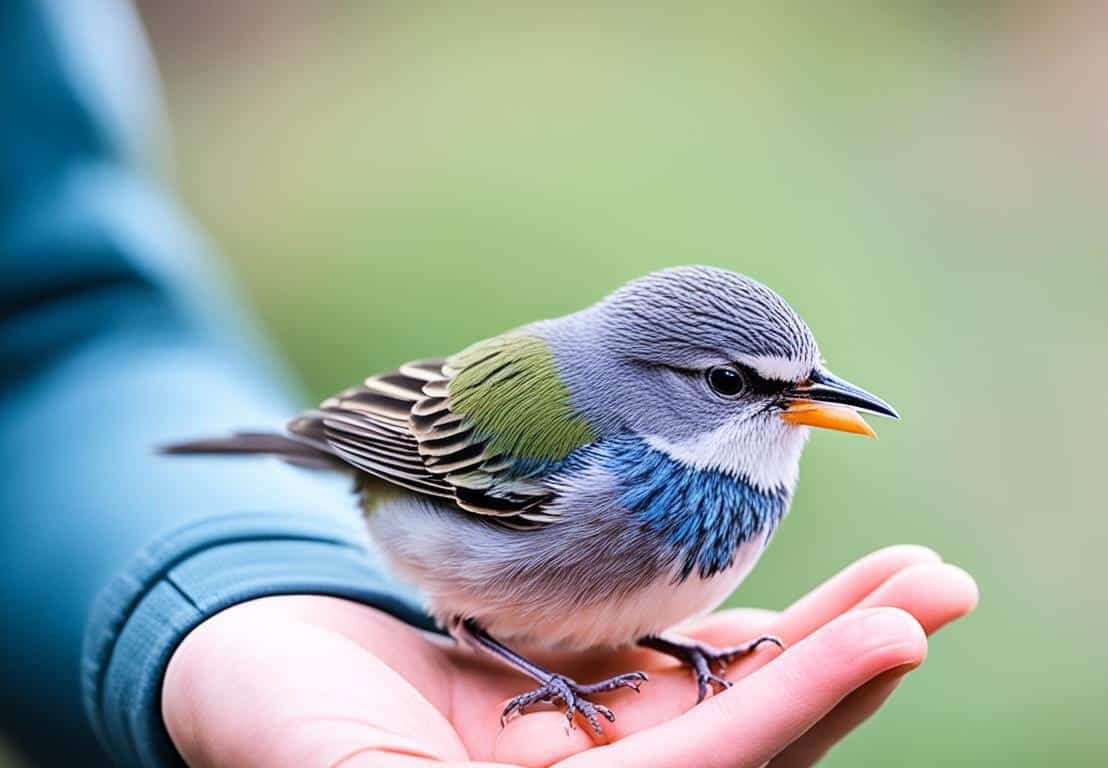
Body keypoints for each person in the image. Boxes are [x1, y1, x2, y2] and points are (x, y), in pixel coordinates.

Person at [0, 1, 978, 766]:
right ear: (659, 383)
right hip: (407, 463)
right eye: (735, 384)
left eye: (801, 386)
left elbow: (54, 315)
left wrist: (667, 639)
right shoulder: (581, 448)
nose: (799, 405)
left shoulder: (752, 476)